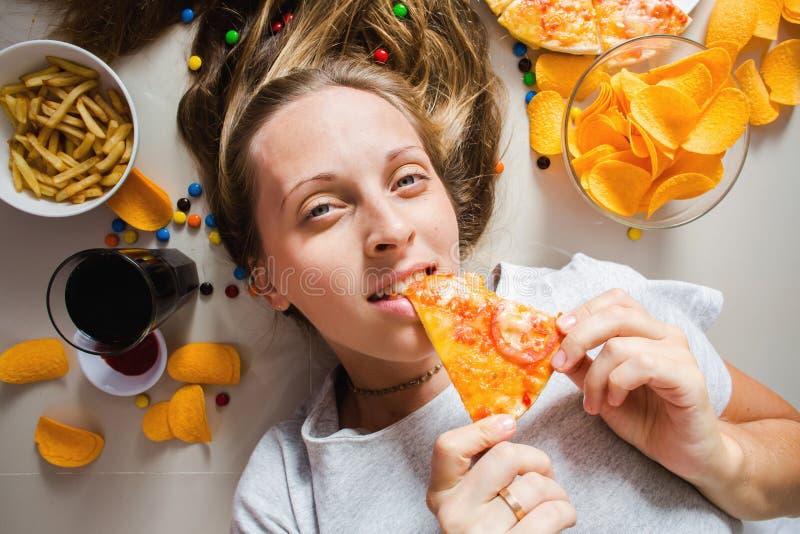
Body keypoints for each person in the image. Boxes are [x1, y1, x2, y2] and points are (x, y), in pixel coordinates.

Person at [49, 1, 800, 532]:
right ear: (268, 278)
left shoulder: (598, 307)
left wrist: (722, 458)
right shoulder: (286, 503)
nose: (388, 229)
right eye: (321, 208)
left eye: (408, 180)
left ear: (450, 203)